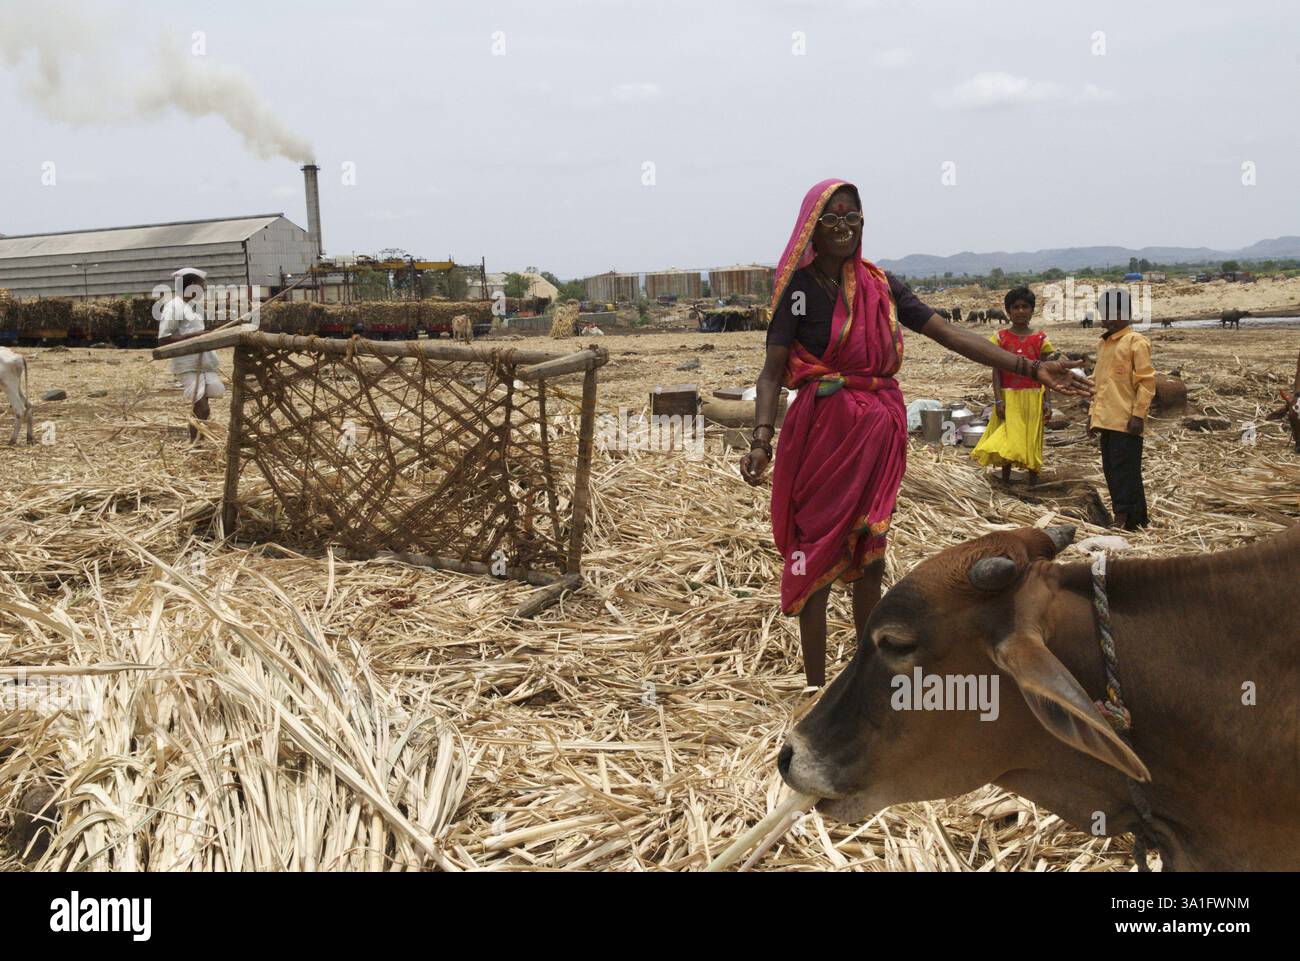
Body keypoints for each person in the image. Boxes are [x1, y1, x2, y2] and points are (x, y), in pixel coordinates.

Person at [740, 179, 1092, 688]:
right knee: (815, 553)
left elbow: (948, 333)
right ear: (811, 229)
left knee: (870, 553)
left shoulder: (882, 286)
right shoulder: (799, 293)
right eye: (832, 219)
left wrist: (1031, 368)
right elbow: (772, 371)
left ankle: (867, 681)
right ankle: (816, 688)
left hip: (878, 434)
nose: (844, 228)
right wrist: (760, 438)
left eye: (852, 218)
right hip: (822, 437)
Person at [970, 286, 1058, 485]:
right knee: (1008, 439)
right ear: (1008, 312)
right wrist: (999, 399)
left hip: (1033, 396)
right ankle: (1006, 481)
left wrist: (1048, 403)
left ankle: (1032, 484)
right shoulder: (1000, 338)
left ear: (1032, 310)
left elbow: (1046, 374)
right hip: (1009, 397)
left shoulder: (1041, 339)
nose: (1020, 311)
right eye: (1015, 307)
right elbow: (996, 371)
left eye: (1024, 307)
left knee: (1031, 439)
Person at [1088, 288, 1155, 530]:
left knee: (1127, 471)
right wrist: (1091, 416)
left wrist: (1138, 415)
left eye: (1110, 311)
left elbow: (1146, 382)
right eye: (1102, 311)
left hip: (1126, 420)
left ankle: (1130, 518)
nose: (1105, 317)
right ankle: (1126, 515)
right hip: (1106, 419)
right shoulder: (1104, 344)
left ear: (1125, 313)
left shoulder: (1136, 342)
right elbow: (1098, 383)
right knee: (1112, 470)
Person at [157, 267, 223, 443]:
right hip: (188, 364)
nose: (204, 289)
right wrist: (195, 336)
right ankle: (194, 444)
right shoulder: (173, 307)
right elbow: (164, 340)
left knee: (205, 408)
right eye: (202, 285)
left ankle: (199, 441)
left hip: (205, 361)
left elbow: (197, 332)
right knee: (200, 405)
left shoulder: (194, 307)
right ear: (192, 286)